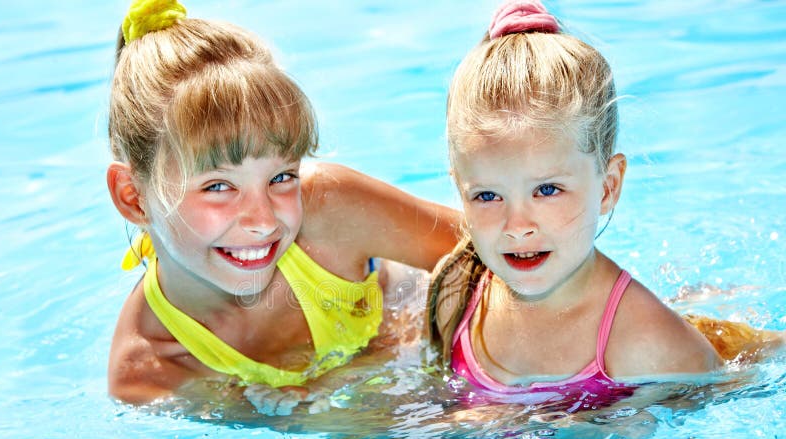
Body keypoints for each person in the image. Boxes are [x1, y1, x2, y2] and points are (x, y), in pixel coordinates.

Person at [106, 0, 460, 408]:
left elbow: (496, 251)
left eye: (281, 177)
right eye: (218, 186)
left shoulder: (329, 210)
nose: (263, 221)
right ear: (133, 198)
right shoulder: (151, 377)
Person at [426, 0, 742, 411]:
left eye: (548, 190)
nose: (517, 225)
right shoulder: (457, 296)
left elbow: (732, 394)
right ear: (459, 193)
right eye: (487, 196)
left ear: (608, 187)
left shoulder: (648, 343)